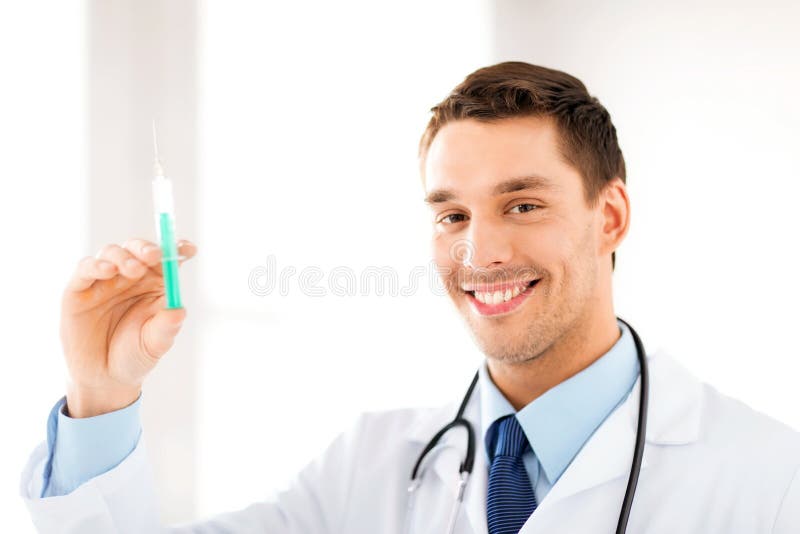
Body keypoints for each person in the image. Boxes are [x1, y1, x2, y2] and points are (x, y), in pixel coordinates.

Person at [20, 62, 799, 533]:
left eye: (522, 204)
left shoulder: (767, 479)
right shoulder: (370, 470)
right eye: (451, 214)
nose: (479, 252)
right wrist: (102, 391)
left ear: (611, 217)